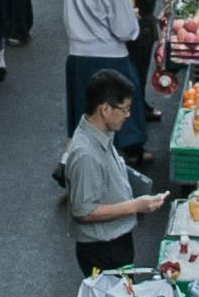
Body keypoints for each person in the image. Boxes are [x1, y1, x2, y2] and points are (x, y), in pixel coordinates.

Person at [64, 72, 170, 272]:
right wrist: (135, 206)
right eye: (125, 109)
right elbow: (83, 211)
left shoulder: (100, 134)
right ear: (104, 109)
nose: (128, 115)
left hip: (115, 243)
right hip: (103, 251)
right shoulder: (86, 154)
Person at [60, 0, 147, 156]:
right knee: (118, 113)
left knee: (86, 115)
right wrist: (132, 16)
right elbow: (125, 31)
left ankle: (78, 160)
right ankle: (121, 159)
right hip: (111, 58)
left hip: (78, 57)